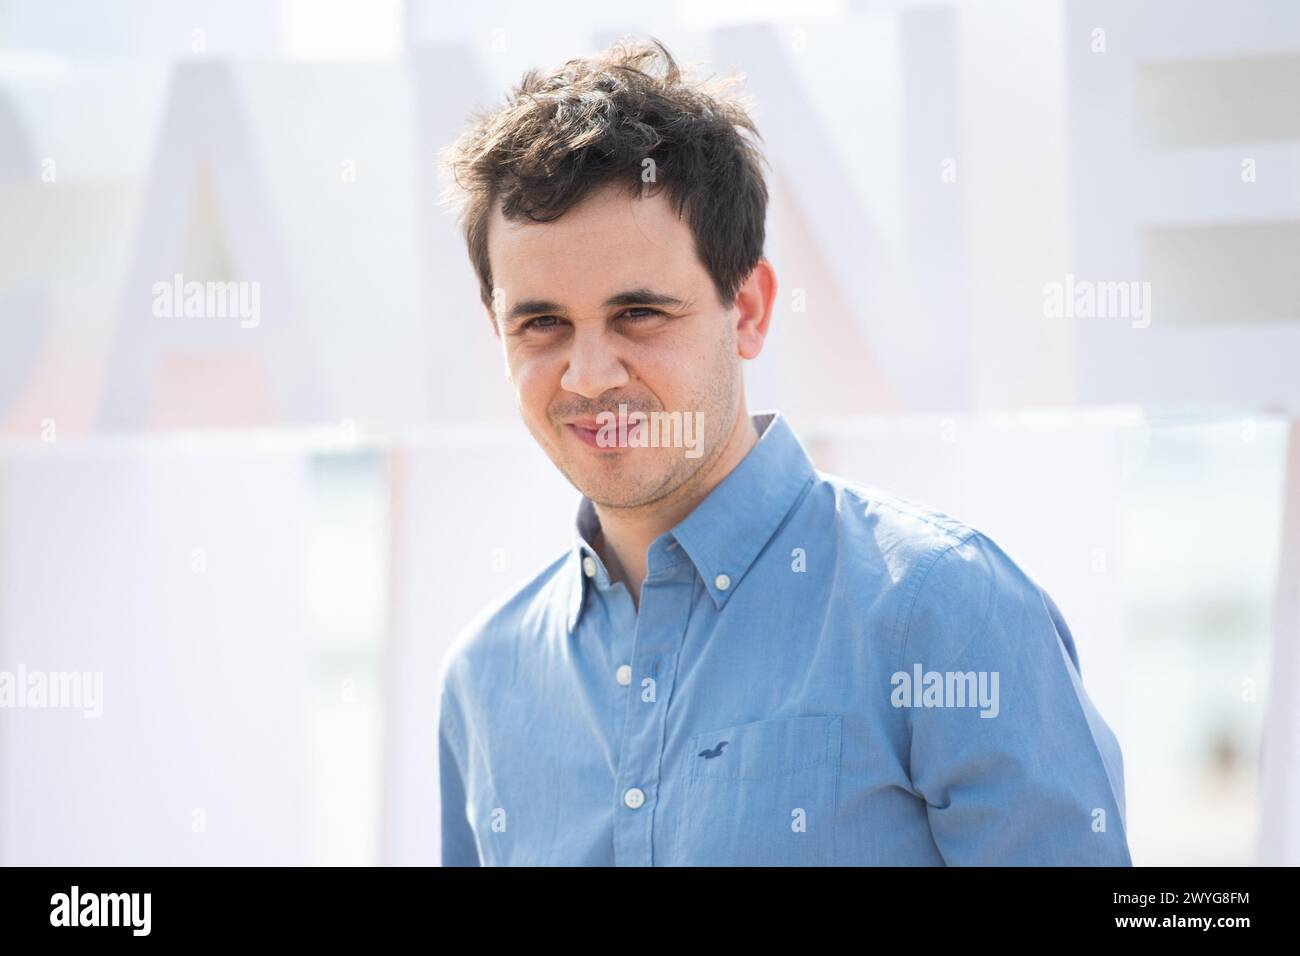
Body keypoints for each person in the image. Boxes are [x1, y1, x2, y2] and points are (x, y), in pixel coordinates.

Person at [434, 36, 1131, 866]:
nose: (588, 376)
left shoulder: (944, 611)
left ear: (751, 308)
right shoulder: (484, 680)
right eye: (542, 322)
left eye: (640, 314)